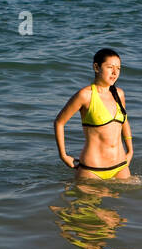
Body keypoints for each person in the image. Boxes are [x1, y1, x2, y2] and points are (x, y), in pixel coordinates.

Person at [54, 48, 133, 181]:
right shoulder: (85, 95)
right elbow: (59, 122)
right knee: (75, 202)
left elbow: (124, 121)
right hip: (92, 169)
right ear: (96, 67)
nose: (115, 72)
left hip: (120, 166)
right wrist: (63, 155)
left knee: (138, 200)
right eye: (110, 67)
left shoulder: (119, 94)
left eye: (118, 68)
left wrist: (130, 150)